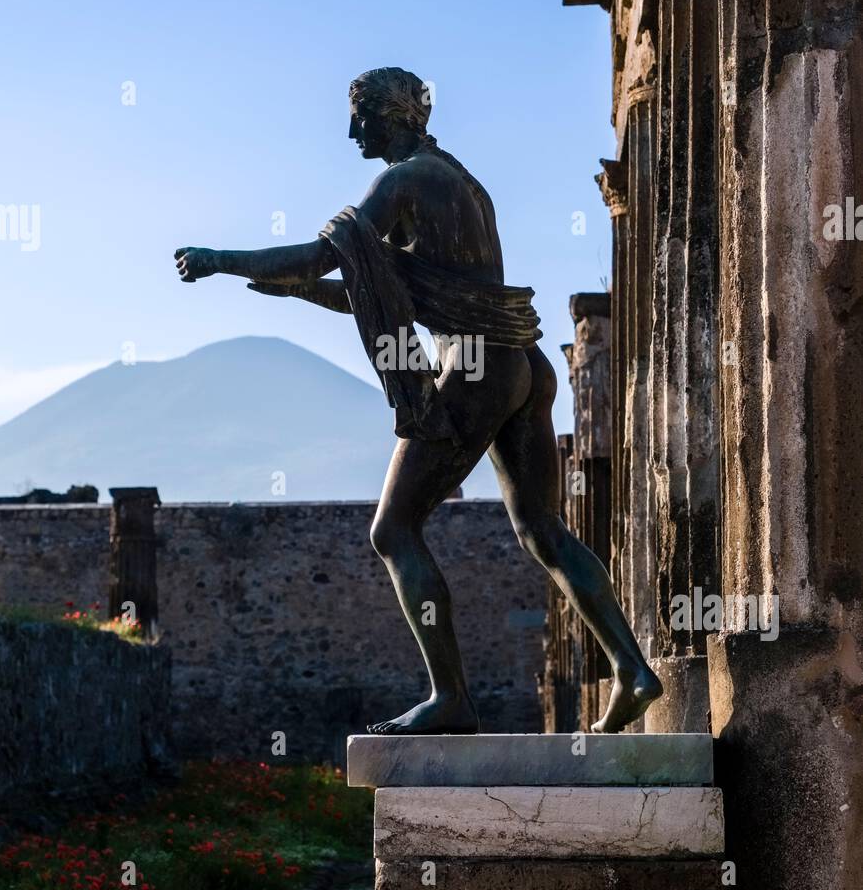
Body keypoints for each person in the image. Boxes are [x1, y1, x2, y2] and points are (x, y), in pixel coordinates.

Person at [175, 67, 662, 734]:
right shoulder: (461, 181)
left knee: (393, 529)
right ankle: (633, 669)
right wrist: (293, 291)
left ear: (395, 115)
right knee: (542, 530)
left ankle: (450, 699)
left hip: (474, 368)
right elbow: (387, 290)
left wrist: (220, 259)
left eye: (361, 116)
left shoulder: (400, 182)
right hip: (523, 362)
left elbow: (325, 256)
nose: (352, 131)